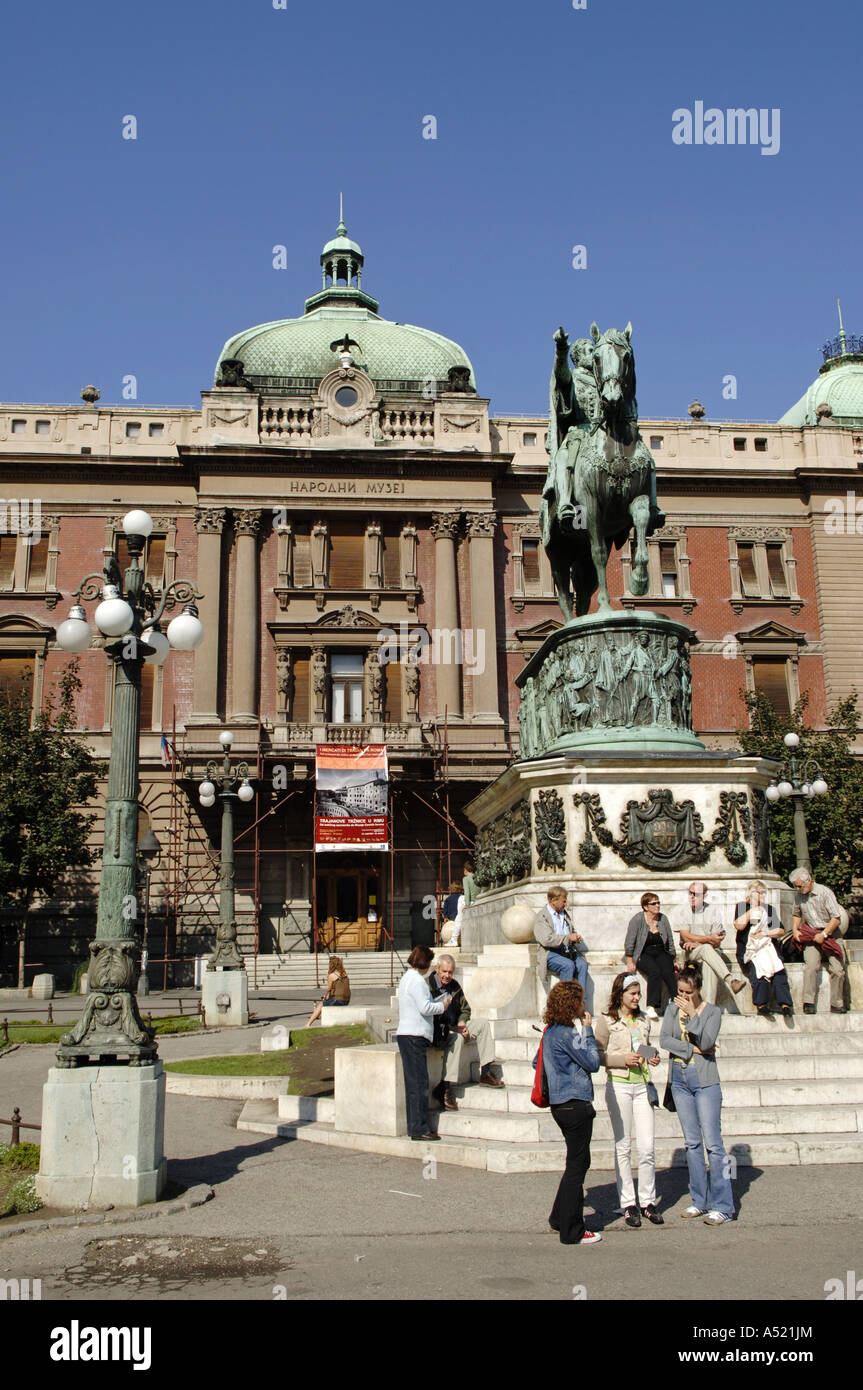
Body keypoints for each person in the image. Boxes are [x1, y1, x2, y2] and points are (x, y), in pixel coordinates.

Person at [660, 964, 735, 1226]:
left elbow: (706, 1041)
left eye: (688, 993)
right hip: (679, 1079)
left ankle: (723, 1205)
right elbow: (665, 1040)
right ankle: (699, 1200)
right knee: (692, 1143)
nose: (683, 997)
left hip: (704, 1081)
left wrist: (693, 1015)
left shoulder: (712, 1012)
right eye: (680, 992)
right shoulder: (672, 1009)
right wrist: (691, 1050)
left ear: (698, 990)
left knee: (713, 1144)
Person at [535, 979, 602, 1246]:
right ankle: (572, 1229)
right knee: (577, 1165)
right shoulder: (567, 1033)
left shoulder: (550, 1031)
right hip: (575, 1103)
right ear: (572, 1005)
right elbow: (593, 1062)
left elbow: (536, 1062)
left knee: (576, 1162)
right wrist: (588, 1030)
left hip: (559, 1104)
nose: (584, 1004)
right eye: (581, 1000)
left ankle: (558, 1217)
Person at [594, 973, 663, 1228]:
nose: (637, 998)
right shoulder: (607, 1020)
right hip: (620, 1084)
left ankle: (648, 1201)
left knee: (647, 1147)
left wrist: (652, 1055)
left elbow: (643, 1046)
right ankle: (628, 1202)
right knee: (623, 1146)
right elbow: (597, 1055)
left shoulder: (643, 1019)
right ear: (620, 994)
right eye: (632, 993)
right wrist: (621, 1060)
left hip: (643, 1084)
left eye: (638, 993)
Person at [427, 954, 504, 1110]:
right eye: (444, 971)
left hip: (456, 1026)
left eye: (450, 972)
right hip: (440, 1031)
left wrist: (462, 1022)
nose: (447, 976)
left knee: (482, 1024)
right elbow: (430, 1016)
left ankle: (486, 1072)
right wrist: (453, 1028)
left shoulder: (454, 985)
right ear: (437, 969)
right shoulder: (428, 987)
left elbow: (465, 1009)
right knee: (457, 1038)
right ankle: (446, 1088)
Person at [396, 945, 451, 1141]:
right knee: (419, 1083)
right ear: (425, 962)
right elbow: (425, 1007)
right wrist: (442, 1005)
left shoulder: (407, 978)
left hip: (407, 1034)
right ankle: (419, 1128)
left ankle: (415, 1127)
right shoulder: (418, 981)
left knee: (414, 1083)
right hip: (415, 1035)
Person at [789, 867, 848, 1015]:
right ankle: (808, 1002)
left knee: (838, 969)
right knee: (811, 966)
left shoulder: (825, 893)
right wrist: (795, 930)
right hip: (811, 933)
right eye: (796, 886)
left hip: (830, 932)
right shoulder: (798, 895)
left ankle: (836, 1003)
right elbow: (796, 914)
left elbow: (836, 918)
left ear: (808, 881)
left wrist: (824, 934)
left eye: (799, 886)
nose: (798, 889)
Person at [679, 882, 746, 1005]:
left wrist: (698, 942)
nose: (692, 896)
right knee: (706, 948)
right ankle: (730, 980)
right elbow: (685, 936)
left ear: (704, 896)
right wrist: (707, 939)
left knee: (709, 963)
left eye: (695, 894)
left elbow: (717, 940)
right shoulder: (684, 911)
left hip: (710, 952)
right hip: (691, 953)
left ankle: (708, 1006)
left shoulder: (713, 911)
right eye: (690, 893)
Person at [733, 882, 793, 1017]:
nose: (763, 895)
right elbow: (738, 925)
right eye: (760, 892)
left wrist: (765, 934)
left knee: (778, 970)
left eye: (764, 893)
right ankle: (761, 1004)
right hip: (750, 949)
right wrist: (751, 912)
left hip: (767, 947)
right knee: (758, 972)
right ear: (752, 893)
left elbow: (780, 930)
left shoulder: (769, 909)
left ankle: (785, 1004)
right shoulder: (742, 907)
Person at [624, 892, 677, 1021]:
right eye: (654, 903)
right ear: (645, 907)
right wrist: (629, 960)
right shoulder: (638, 920)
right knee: (654, 971)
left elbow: (670, 941)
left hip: (661, 951)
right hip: (643, 952)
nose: (657, 905)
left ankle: (676, 1001)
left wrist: (673, 959)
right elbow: (630, 941)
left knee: (668, 971)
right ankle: (652, 1006)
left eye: (658, 903)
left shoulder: (663, 919)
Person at [534, 886, 588, 990]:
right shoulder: (542, 916)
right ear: (553, 900)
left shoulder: (564, 914)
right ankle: (564, 998)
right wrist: (567, 938)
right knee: (567, 965)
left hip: (567, 951)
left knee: (582, 965)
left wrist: (575, 937)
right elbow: (546, 939)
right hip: (549, 952)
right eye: (563, 901)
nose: (565, 904)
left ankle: (581, 999)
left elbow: (571, 931)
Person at [305, 956, 351, 1027]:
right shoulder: (344, 974)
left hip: (337, 1000)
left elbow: (329, 990)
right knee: (326, 1002)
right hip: (346, 1000)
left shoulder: (332, 975)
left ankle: (308, 1024)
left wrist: (325, 998)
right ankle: (317, 1017)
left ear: (331, 965)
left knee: (321, 1004)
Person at [441, 880, 465, 947]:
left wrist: (446, 917)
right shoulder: (463, 898)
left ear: (451, 889)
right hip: (461, 920)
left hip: (451, 921)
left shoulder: (448, 899)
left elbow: (445, 910)